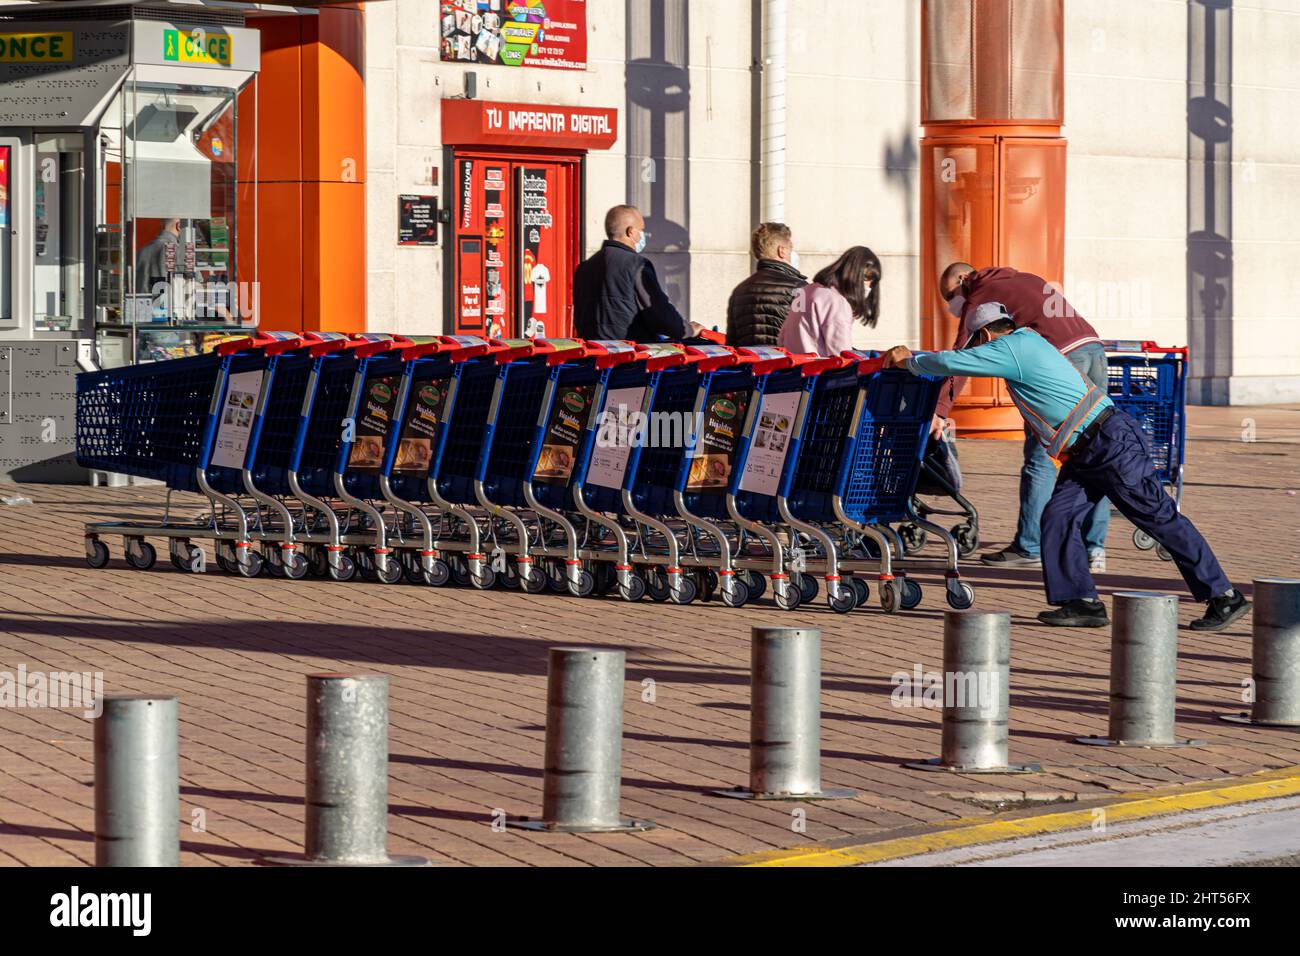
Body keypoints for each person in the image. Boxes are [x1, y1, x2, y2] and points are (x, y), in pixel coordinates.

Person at [882, 303, 1251, 632]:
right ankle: (1081, 602)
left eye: (977, 342)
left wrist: (909, 360)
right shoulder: (1025, 342)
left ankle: (1224, 595)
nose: (979, 350)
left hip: (1108, 444)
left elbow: (952, 362)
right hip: (1088, 449)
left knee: (1159, 519)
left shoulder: (1013, 347)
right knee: (1058, 517)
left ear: (985, 333)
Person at [935, 262, 1112, 572]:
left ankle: (1029, 545)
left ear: (963, 279)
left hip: (1063, 358)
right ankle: (1093, 548)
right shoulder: (1025, 279)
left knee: (1041, 455)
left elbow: (963, 356)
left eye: (951, 295)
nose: (953, 305)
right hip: (1094, 349)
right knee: (1096, 452)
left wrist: (939, 411)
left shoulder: (980, 292)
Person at [573, 205, 695, 342]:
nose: (643, 235)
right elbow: (660, 316)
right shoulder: (636, 265)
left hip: (594, 356)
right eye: (641, 230)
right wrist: (688, 329)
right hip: (630, 355)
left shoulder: (584, 268)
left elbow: (579, 319)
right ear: (630, 232)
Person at [777, 245, 880, 357]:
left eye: (872, 282)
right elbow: (841, 354)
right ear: (853, 274)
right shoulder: (837, 302)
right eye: (865, 278)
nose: (868, 286)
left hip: (790, 367)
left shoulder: (806, 291)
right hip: (818, 370)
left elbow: (783, 335)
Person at [725, 222, 807, 348]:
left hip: (750, 366)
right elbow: (806, 337)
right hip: (787, 365)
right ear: (782, 251)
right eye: (791, 248)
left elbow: (732, 343)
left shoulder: (739, 291)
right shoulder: (798, 288)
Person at [135, 217, 182, 296]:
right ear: (178, 225)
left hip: (141, 306)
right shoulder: (179, 251)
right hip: (168, 305)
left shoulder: (142, 251)